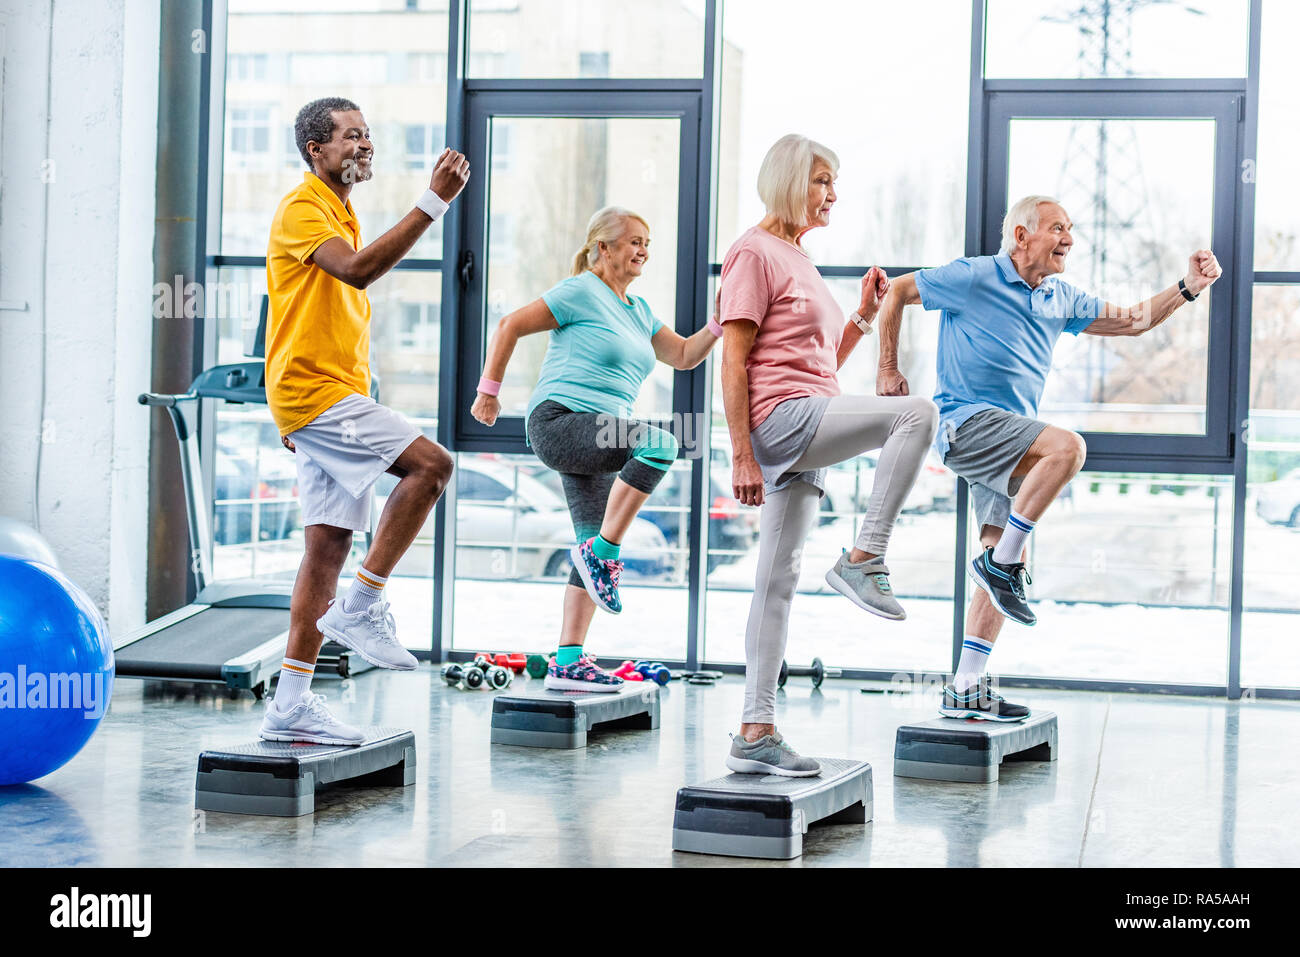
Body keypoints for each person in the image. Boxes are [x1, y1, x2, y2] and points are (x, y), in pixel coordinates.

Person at [876, 194, 1221, 721]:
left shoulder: (1060, 297)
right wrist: (886, 367)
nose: (1070, 239)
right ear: (1021, 235)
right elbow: (898, 291)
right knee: (1069, 447)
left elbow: (1132, 321)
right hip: (964, 425)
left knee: (1002, 555)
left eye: (1072, 229)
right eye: (1059, 228)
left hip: (1011, 442)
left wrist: (1188, 288)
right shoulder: (973, 276)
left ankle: (965, 686)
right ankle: (1001, 564)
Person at [719, 134, 939, 777]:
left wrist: (864, 318)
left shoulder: (797, 257)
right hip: (778, 422)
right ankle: (865, 557)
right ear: (789, 180)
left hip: (804, 412)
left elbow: (819, 370)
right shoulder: (752, 253)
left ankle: (755, 731)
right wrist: (741, 455)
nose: (832, 194)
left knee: (775, 581)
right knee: (914, 413)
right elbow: (734, 362)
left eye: (834, 182)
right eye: (821, 181)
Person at [260, 96, 469, 744]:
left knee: (326, 546)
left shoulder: (341, 210)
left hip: (331, 392)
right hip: (313, 394)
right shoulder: (303, 209)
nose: (365, 145)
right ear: (315, 150)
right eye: (351, 137)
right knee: (433, 465)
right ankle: (364, 602)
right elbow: (357, 272)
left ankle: (290, 702)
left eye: (368, 135)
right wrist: (433, 202)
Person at [470, 206, 722, 692]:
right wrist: (488, 390)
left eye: (647, 241)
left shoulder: (640, 312)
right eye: (632, 240)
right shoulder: (581, 291)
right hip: (561, 421)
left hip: (600, 433)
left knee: (588, 541)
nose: (643, 249)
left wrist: (718, 322)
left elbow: (685, 356)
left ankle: (568, 659)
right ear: (601, 248)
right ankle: (605, 554)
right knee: (662, 443)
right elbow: (509, 326)